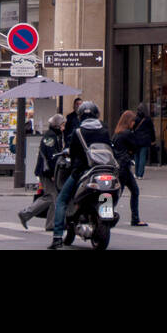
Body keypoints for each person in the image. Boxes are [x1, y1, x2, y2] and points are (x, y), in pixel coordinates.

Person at [50, 100, 113, 249]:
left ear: (80, 116)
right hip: (104, 169)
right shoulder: (104, 129)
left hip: (82, 171)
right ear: (96, 114)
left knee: (61, 200)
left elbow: (72, 151)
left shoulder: (79, 132)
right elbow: (110, 147)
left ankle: (57, 237)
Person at [18, 113, 65, 231]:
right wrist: (53, 174)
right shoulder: (50, 136)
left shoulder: (54, 135)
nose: (64, 127)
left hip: (46, 171)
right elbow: (51, 157)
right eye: (63, 124)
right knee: (53, 197)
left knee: (51, 197)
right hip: (46, 172)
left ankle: (48, 223)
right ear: (58, 125)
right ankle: (28, 214)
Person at [112, 110, 148, 227]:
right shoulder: (127, 133)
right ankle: (135, 218)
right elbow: (135, 146)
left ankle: (106, 214)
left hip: (118, 164)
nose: (134, 124)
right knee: (131, 191)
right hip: (125, 165)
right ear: (129, 122)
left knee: (117, 192)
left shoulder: (117, 133)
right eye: (133, 122)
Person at [132, 102, 155, 179]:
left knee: (136, 157)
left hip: (136, 139)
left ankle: (136, 173)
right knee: (142, 157)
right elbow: (152, 130)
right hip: (145, 139)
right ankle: (140, 174)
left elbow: (132, 128)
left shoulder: (135, 118)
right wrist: (153, 139)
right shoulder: (148, 119)